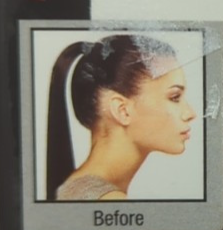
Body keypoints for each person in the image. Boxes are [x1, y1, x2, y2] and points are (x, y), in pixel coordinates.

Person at [46, 34, 196, 201]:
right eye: (175, 97)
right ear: (122, 110)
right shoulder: (109, 202)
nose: (190, 113)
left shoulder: (81, 191)